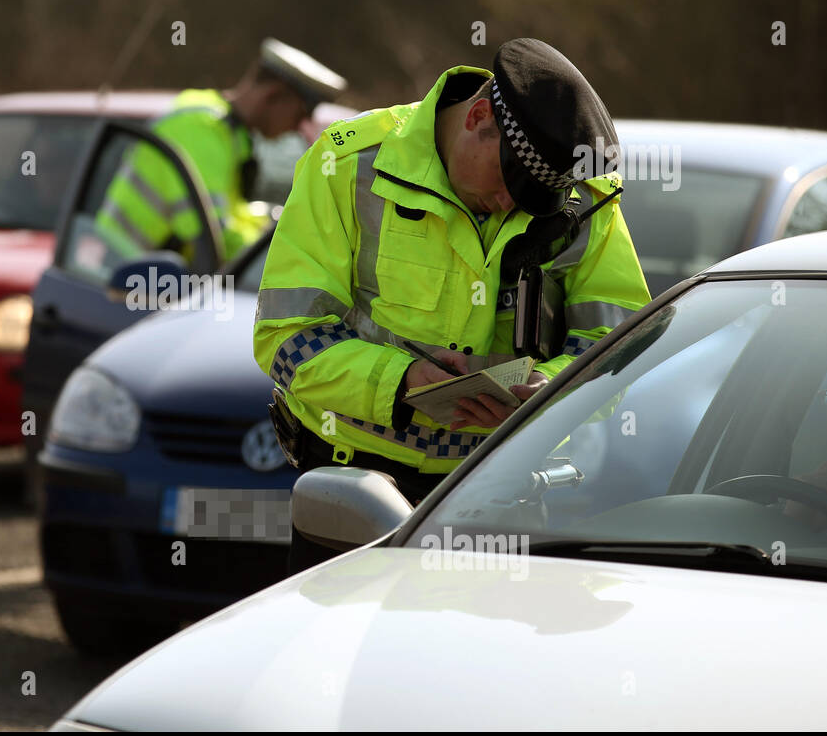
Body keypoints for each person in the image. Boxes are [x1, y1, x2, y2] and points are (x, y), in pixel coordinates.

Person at [255, 38, 651, 513]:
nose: (511, 206)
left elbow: (621, 344)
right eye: (509, 183)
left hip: (503, 493)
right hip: (353, 486)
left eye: (532, 200)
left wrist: (554, 391)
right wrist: (401, 382)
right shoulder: (346, 165)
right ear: (478, 116)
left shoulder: (587, 200)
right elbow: (285, 341)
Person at [96, 38, 346, 267]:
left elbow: (231, 216)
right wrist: (291, 255)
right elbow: (218, 238)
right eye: (300, 114)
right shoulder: (201, 130)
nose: (297, 127)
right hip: (119, 285)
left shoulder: (222, 127)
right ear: (274, 96)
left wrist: (269, 227)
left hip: (143, 283)